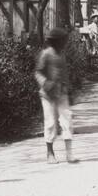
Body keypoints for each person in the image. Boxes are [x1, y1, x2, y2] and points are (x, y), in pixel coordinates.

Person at [36, 27, 74, 163]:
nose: (65, 43)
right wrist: (46, 83)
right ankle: (50, 153)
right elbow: (38, 72)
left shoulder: (62, 55)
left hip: (62, 92)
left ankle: (69, 153)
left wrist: (69, 88)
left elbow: (64, 73)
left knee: (67, 120)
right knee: (50, 123)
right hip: (48, 94)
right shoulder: (46, 54)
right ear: (55, 42)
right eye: (63, 41)